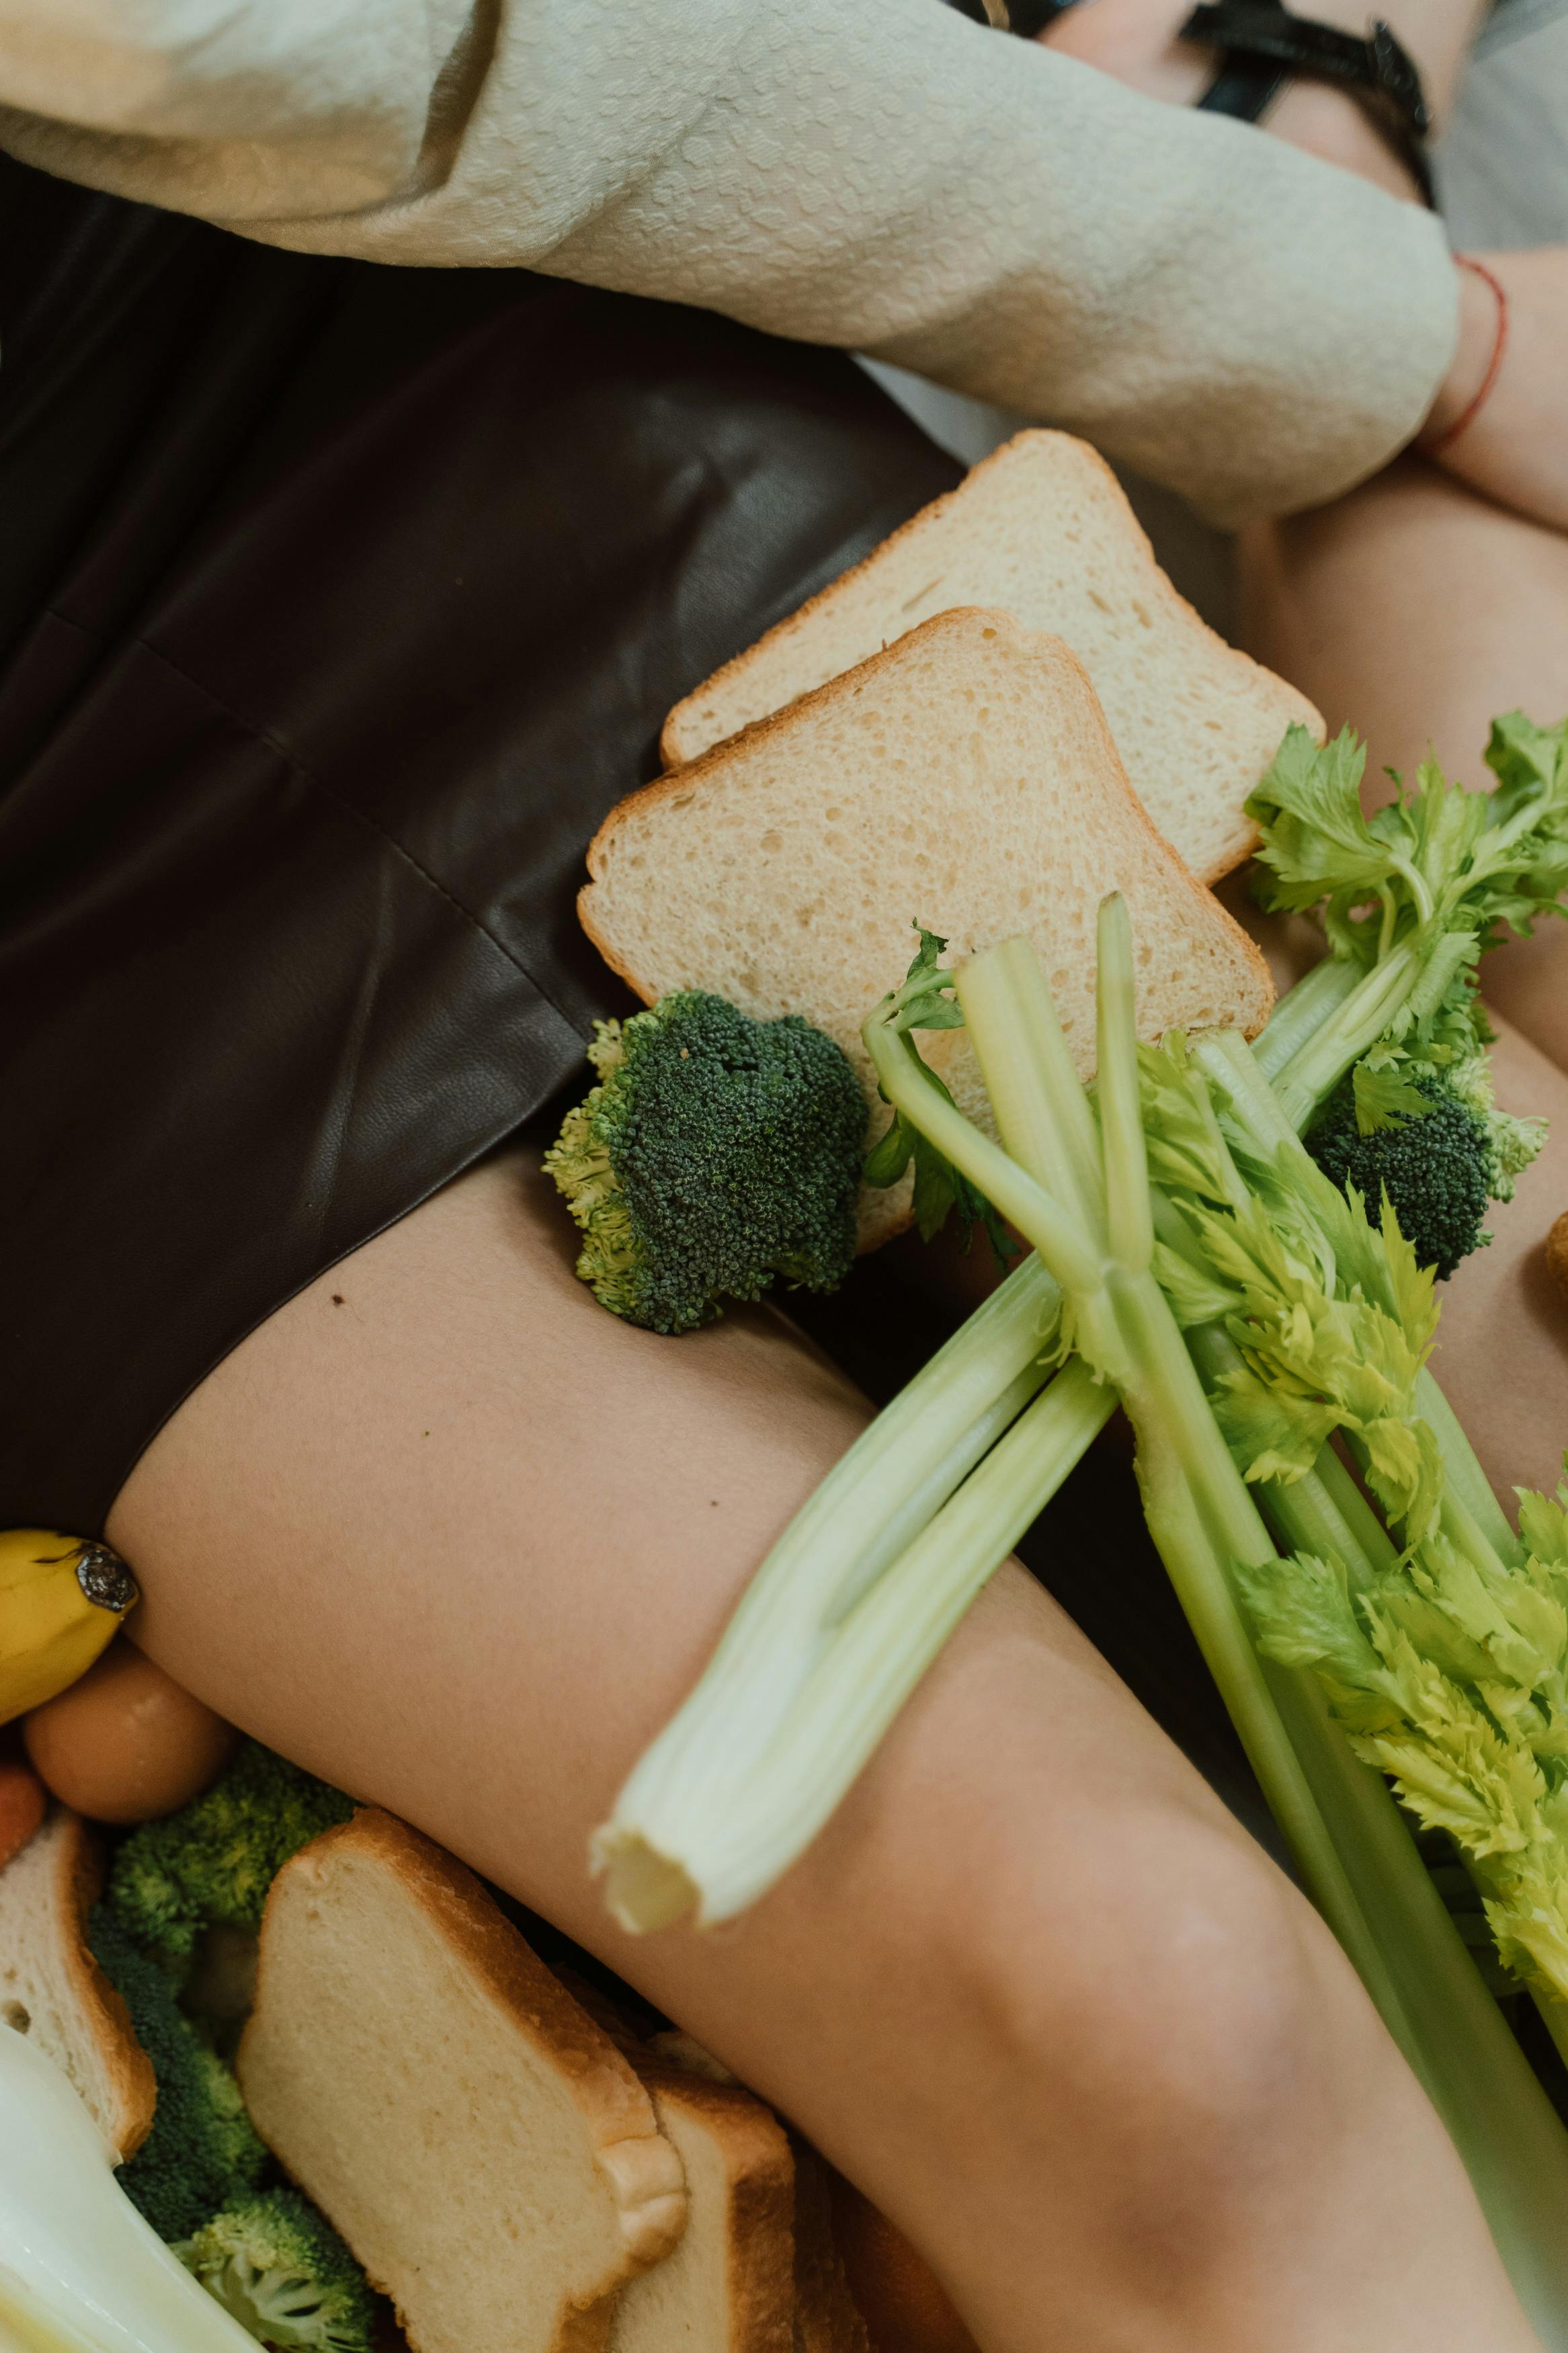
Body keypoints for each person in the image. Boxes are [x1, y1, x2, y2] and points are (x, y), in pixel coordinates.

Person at [1, 2, 1565, 2346]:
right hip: (55, 985)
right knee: (1169, 2031)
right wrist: (1402, 339)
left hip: (503, 388)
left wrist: (1322, 171)